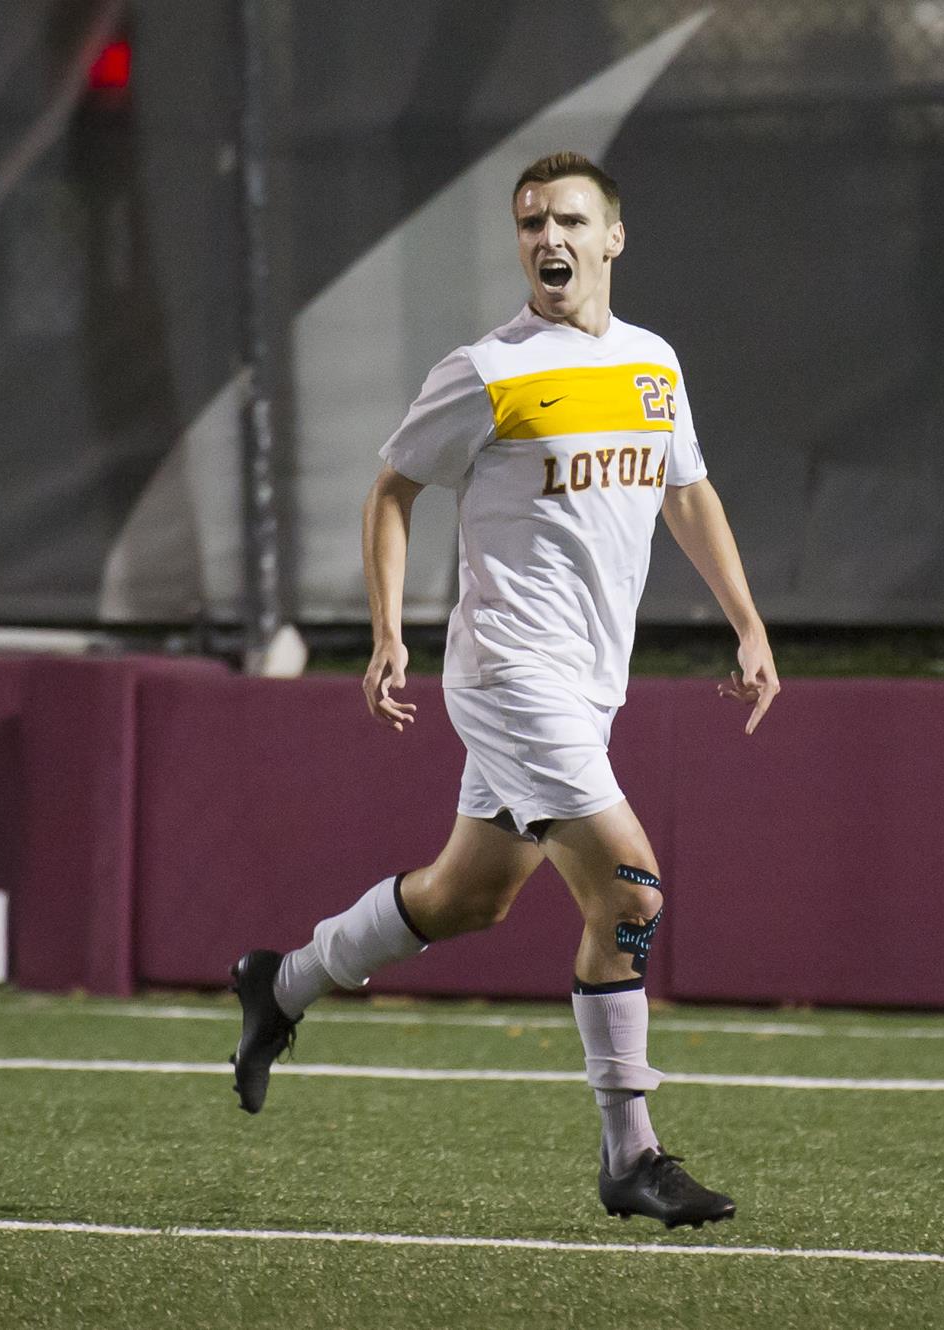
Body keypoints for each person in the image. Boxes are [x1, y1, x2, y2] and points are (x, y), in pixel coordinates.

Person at [230, 151, 779, 1229]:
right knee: (628, 890)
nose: (548, 239)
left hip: (585, 687)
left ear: (612, 238)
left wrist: (748, 621)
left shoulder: (651, 365)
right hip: (507, 674)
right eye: (529, 224)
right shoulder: (487, 369)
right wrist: (388, 630)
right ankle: (632, 1154)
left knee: (462, 897)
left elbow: (688, 491)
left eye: (569, 220)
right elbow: (390, 488)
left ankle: (279, 981)